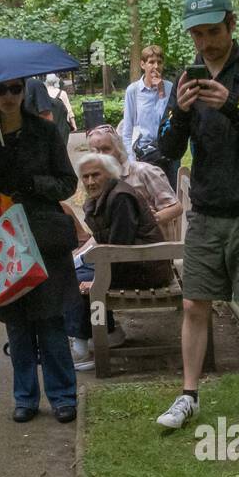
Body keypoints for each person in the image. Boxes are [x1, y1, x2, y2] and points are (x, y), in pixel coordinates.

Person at [154, 0, 239, 429]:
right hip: (208, 207)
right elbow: (166, 145)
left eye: (212, 31)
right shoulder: (184, 78)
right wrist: (178, 109)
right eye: (197, 34)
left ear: (230, 24)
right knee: (194, 303)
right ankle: (188, 394)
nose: (205, 42)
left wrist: (229, 102)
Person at [0, 75, 80, 423]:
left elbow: (67, 183)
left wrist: (30, 183)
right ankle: (25, 397)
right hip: (4, 241)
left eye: (15, 88)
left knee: (50, 320)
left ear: (25, 90)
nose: (8, 96)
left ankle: (63, 395)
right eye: (0, 89)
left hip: (44, 236)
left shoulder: (45, 133)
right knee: (16, 323)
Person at [67, 152, 173, 371]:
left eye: (96, 175)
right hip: (131, 263)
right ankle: (108, 333)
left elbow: (118, 248)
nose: (90, 181)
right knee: (72, 271)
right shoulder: (103, 197)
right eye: (85, 177)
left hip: (145, 269)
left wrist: (98, 280)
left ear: (110, 174)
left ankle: (81, 350)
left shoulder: (120, 197)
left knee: (73, 281)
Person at [85, 125, 182, 240]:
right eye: (94, 151)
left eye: (106, 149)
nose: (101, 156)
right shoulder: (98, 181)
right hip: (120, 245)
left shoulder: (143, 172)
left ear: (119, 149)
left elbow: (177, 208)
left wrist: (150, 218)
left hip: (153, 248)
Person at [120, 45, 176, 184]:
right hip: (145, 155)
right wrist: (131, 162)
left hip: (168, 152)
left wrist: (161, 93)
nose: (156, 66)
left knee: (172, 197)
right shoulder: (133, 91)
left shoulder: (170, 88)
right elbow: (127, 130)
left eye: (159, 62)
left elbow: (168, 121)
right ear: (142, 64)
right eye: (151, 62)